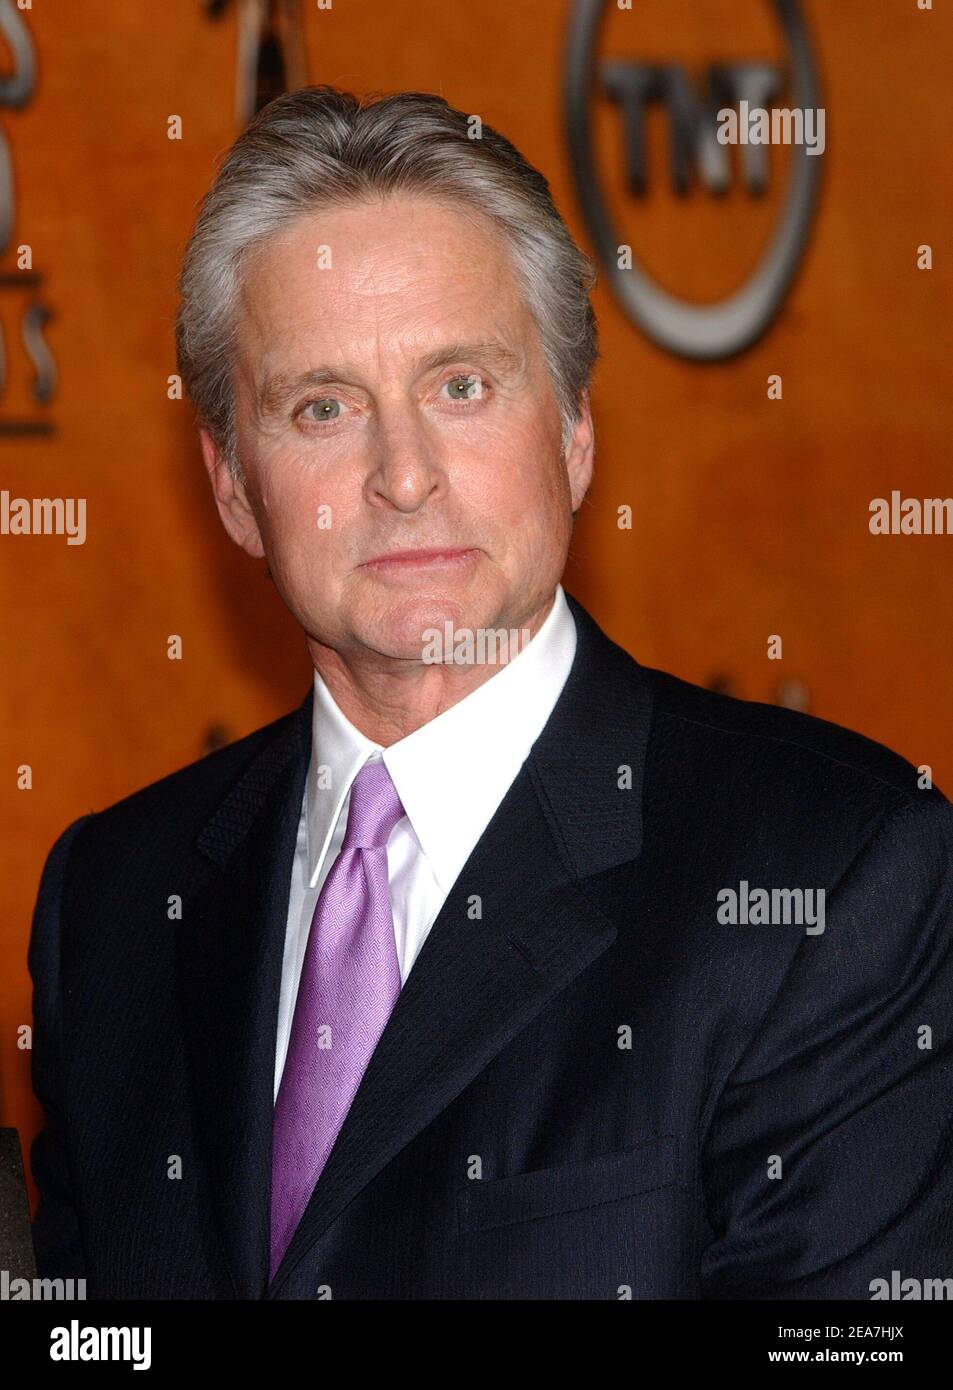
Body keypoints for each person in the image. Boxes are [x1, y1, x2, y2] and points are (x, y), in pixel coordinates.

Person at [28, 86, 953, 1300]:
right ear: (234, 488)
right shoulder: (114, 900)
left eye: (459, 386)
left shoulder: (832, 875)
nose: (401, 474)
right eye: (322, 406)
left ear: (573, 430)